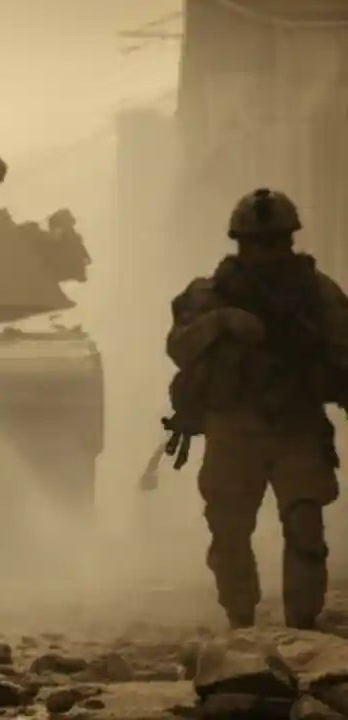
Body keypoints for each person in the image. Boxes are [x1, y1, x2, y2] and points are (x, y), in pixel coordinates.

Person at [166, 188, 348, 630]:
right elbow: (179, 348)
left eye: (276, 241)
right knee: (229, 533)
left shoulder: (318, 294)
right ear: (240, 244)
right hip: (233, 424)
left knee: (305, 526)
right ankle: (241, 621)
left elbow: (343, 352)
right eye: (258, 243)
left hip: (297, 424)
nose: (268, 252)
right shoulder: (210, 294)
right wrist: (220, 323)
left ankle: (302, 626)